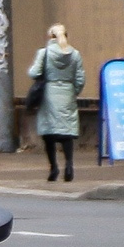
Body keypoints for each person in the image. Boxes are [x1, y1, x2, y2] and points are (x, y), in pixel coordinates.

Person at [28, 23, 84, 181]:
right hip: (67, 94)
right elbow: (80, 78)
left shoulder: (44, 53)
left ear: (50, 37)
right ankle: (69, 165)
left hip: (48, 96)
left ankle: (53, 168)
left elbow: (34, 72)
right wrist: (73, 92)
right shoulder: (75, 54)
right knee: (67, 133)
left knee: (49, 134)